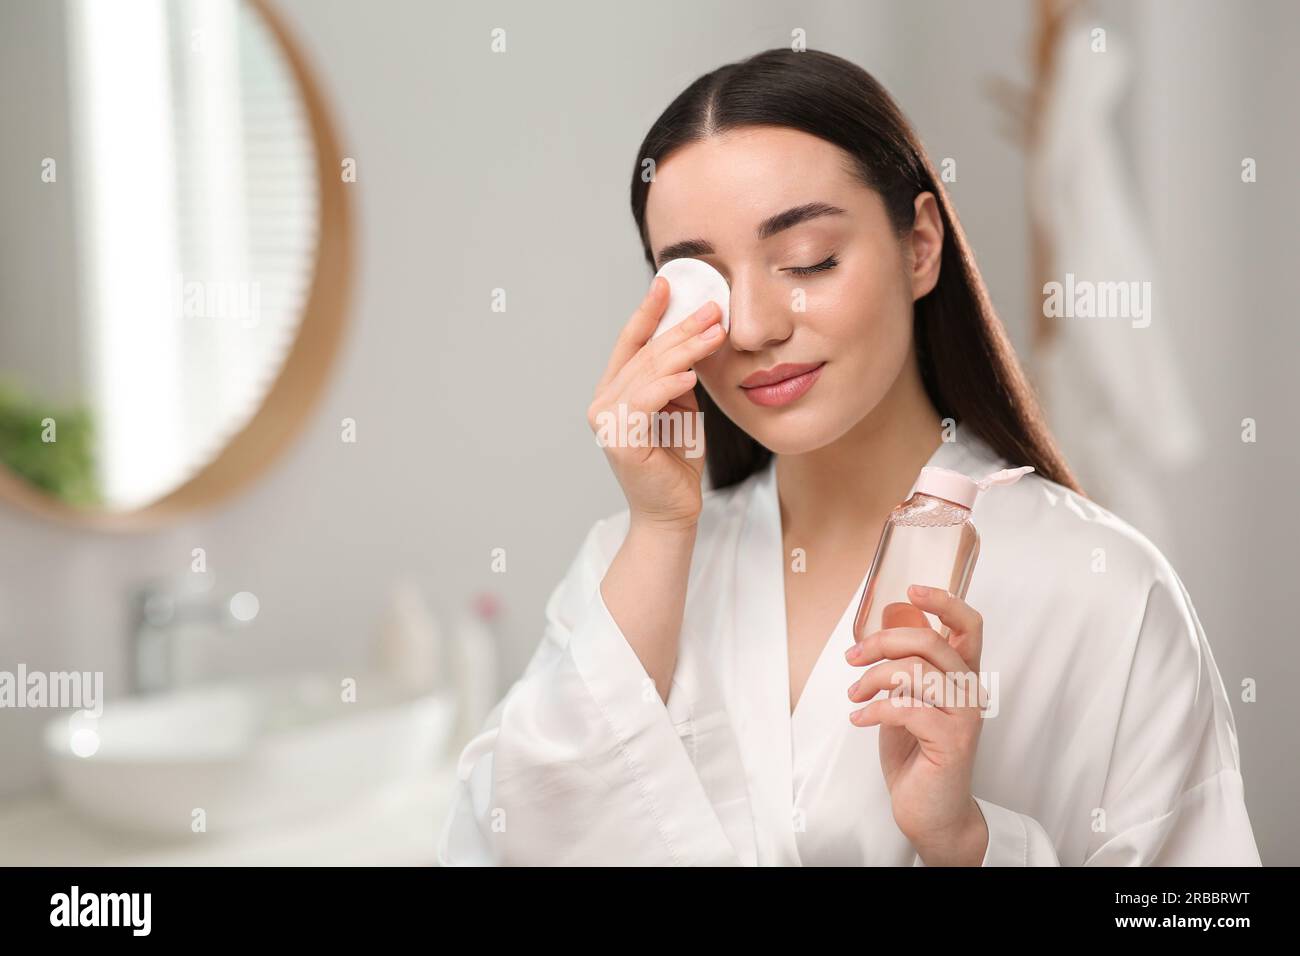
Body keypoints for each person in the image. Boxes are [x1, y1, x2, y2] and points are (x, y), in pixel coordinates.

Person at [438, 48, 1260, 866]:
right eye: (704, 290)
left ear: (920, 246)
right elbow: (496, 838)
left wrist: (966, 844)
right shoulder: (627, 566)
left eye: (808, 261)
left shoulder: (1103, 587)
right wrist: (657, 527)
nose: (756, 327)